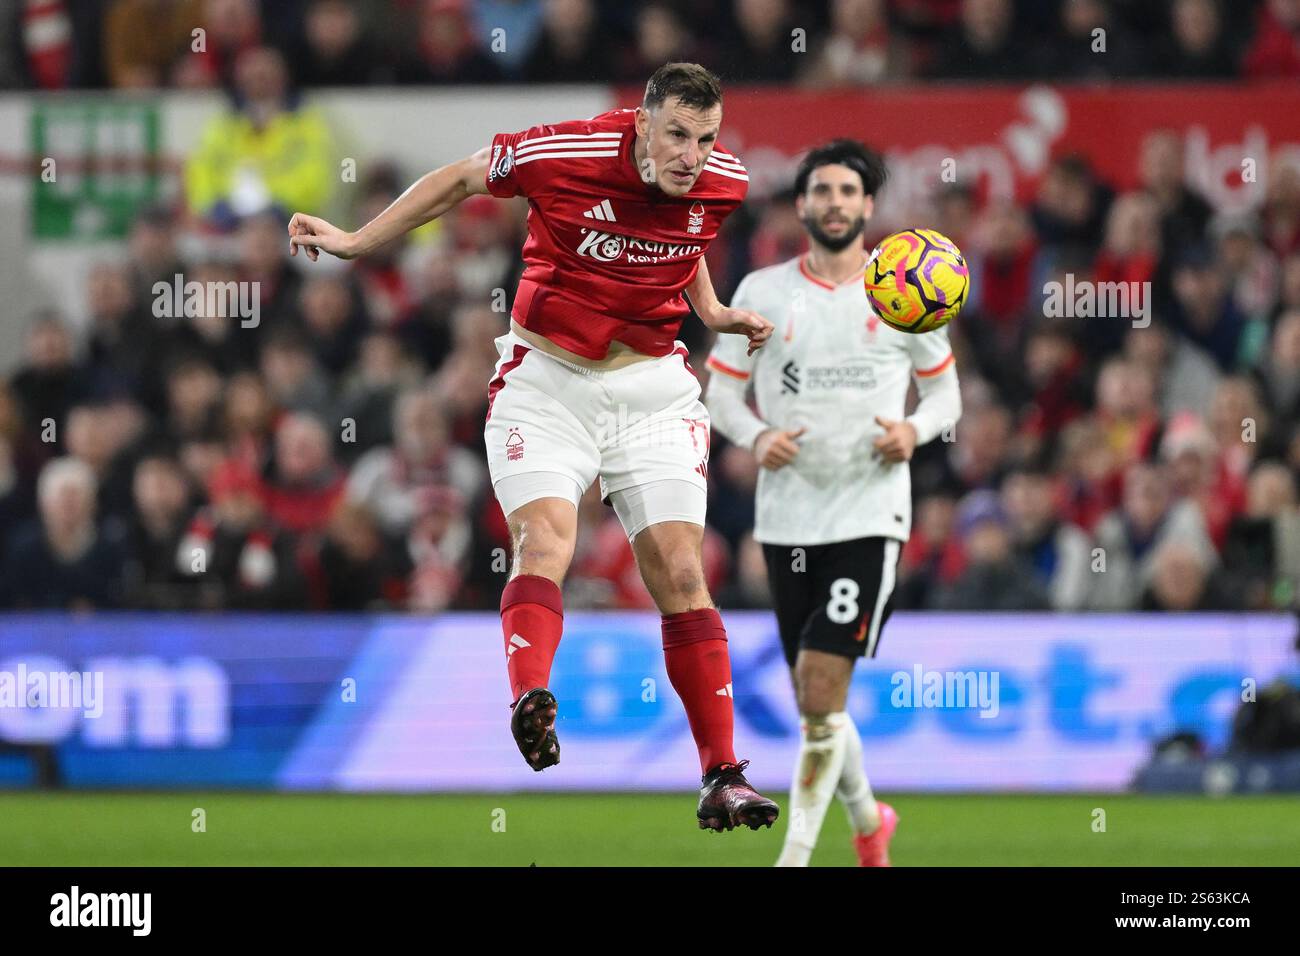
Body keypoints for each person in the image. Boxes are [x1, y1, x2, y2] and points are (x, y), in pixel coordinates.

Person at [284, 62, 779, 833]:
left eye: (705, 138)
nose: (691, 154)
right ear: (642, 122)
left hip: (652, 388)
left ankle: (722, 774)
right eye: (677, 134)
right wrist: (355, 241)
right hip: (547, 382)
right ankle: (531, 698)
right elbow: (457, 181)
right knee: (544, 539)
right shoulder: (563, 154)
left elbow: (688, 238)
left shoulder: (724, 180)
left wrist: (711, 310)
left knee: (684, 569)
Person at [703, 140, 962, 866]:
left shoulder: (906, 289)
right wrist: (756, 437)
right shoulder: (760, 292)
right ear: (803, 205)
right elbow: (720, 390)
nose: (836, 203)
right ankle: (870, 822)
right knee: (819, 705)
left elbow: (947, 394)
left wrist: (914, 428)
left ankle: (795, 856)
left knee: (820, 689)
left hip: (869, 513)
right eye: (823, 191)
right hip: (786, 518)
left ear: (869, 205)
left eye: (849, 191)